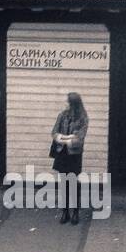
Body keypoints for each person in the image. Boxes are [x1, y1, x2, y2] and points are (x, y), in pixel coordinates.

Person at [51, 91, 88, 225]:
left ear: (74, 103)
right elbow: (54, 132)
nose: (67, 104)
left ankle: (75, 212)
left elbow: (80, 138)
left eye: (69, 102)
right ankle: (65, 212)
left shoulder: (83, 117)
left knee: (73, 183)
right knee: (63, 183)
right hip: (62, 153)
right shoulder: (62, 115)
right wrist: (68, 138)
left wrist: (63, 139)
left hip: (74, 155)